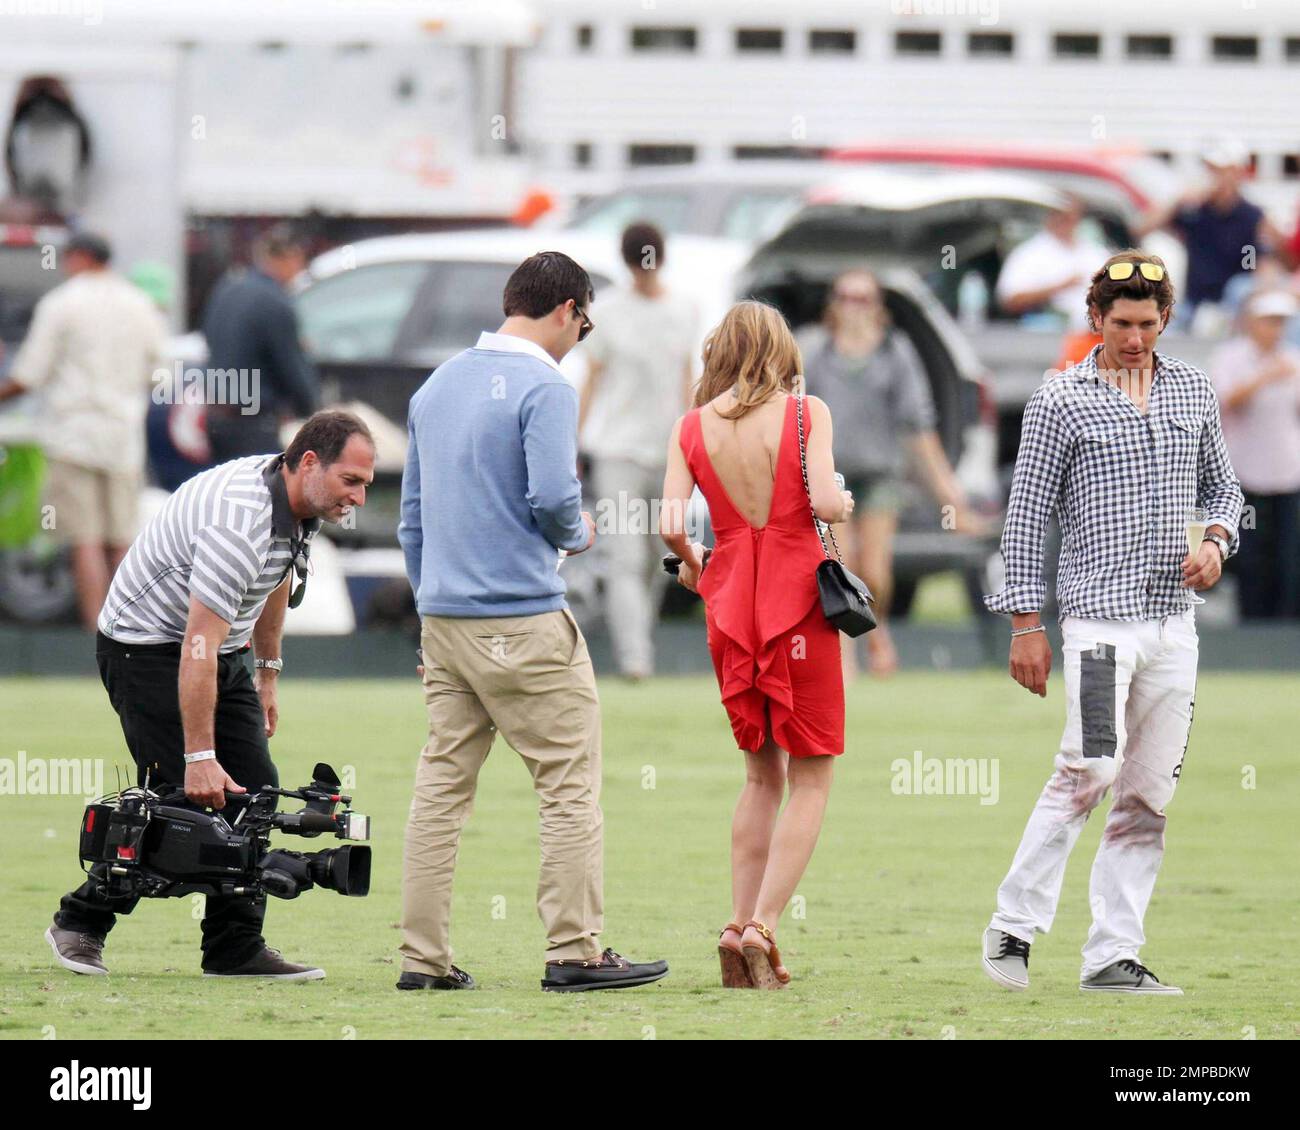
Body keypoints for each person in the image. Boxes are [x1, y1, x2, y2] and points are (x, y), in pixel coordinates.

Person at [397, 251, 668, 993]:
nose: (582, 336)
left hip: (445, 621)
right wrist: (579, 532)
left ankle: (422, 961)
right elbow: (553, 498)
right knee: (568, 788)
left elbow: (412, 523)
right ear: (565, 309)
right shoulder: (546, 387)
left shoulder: (437, 385)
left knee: (440, 794)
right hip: (523, 620)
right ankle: (575, 953)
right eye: (584, 321)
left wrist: (429, 611)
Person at [982, 250, 1244, 995]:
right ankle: (1013, 924)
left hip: (1174, 626)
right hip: (1097, 624)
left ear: (1166, 320)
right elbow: (1026, 516)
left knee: (1148, 794)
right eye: (1122, 322)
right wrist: (1024, 625)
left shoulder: (1193, 389)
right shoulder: (1058, 399)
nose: (1135, 336)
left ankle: (1111, 954)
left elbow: (1224, 488)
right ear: (1095, 319)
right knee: (1090, 769)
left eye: (1148, 322)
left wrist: (1218, 543)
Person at [45, 410, 376, 979]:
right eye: (352, 481)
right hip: (146, 649)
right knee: (179, 803)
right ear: (310, 463)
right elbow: (195, 642)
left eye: (366, 485)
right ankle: (79, 921)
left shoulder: (299, 500)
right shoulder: (238, 522)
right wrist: (201, 756)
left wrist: (267, 673)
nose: (360, 498)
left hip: (220, 653)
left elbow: (278, 579)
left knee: (257, 795)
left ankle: (234, 949)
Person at [660, 300, 853, 990]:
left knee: (758, 775)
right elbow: (826, 504)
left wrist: (695, 562)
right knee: (812, 773)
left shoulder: (691, 426)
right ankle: (763, 927)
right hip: (797, 596)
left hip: (731, 596)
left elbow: (669, 522)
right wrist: (845, 503)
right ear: (779, 351)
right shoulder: (807, 414)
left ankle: (734, 921)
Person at [797, 268, 982, 677]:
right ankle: (845, 658)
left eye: (862, 298)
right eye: (845, 297)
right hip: (833, 475)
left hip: (881, 475)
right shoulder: (817, 353)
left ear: (877, 307)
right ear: (834, 304)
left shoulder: (894, 353)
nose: (853, 307)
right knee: (840, 567)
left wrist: (951, 499)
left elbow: (918, 430)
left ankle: (876, 636)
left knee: (875, 572)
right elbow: (797, 419)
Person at [0, 232, 166, 631]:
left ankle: (99, 632)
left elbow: (29, 374)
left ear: (78, 258)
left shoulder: (61, 303)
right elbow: (160, 375)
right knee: (122, 540)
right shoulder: (141, 304)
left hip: (72, 438)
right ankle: (135, 630)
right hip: (123, 438)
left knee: (84, 540)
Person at [577, 221, 696, 680]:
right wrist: (576, 442)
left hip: (667, 454)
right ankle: (635, 657)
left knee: (657, 556)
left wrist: (692, 445)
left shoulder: (685, 309)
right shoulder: (606, 310)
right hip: (617, 452)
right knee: (624, 558)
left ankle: (639, 638)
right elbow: (593, 378)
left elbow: (687, 380)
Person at [1208, 289, 1300, 619]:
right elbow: (1226, 403)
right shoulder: (1230, 357)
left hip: (1288, 473)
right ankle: (1253, 627)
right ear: (1252, 323)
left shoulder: (1294, 358)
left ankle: (1287, 628)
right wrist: (1265, 377)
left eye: (1281, 322)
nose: (1275, 329)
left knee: (1289, 556)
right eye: (1270, 321)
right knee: (1251, 558)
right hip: (1245, 473)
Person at [201, 225, 319, 462]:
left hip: (215, 418)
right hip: (253, 423)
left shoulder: (226, 288)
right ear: (288, 258)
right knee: (257, 494)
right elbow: (292, 368)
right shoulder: (275, 303)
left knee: (225, 490)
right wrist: (315, 412)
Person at [1136, 139, 1288, 323]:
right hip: (1195, 302)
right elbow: (1141, 229)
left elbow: (1264, 259)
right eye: (1212, 170)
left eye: (1221, 170)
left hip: (1232, 307)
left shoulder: (1252, 217)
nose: (1215, 177)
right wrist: (1177, 201)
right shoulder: (1194, 210)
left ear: (1237, 173)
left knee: (1241, 287)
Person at [995, 195, 1110, 369]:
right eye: (1060, 215)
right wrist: (1060, 287)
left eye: (1071, 216)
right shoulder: (1030, 254)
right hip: (1046, 345)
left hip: (1095, 344)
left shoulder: (1095, 253)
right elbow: (1010, 299)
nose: (1065, 221)